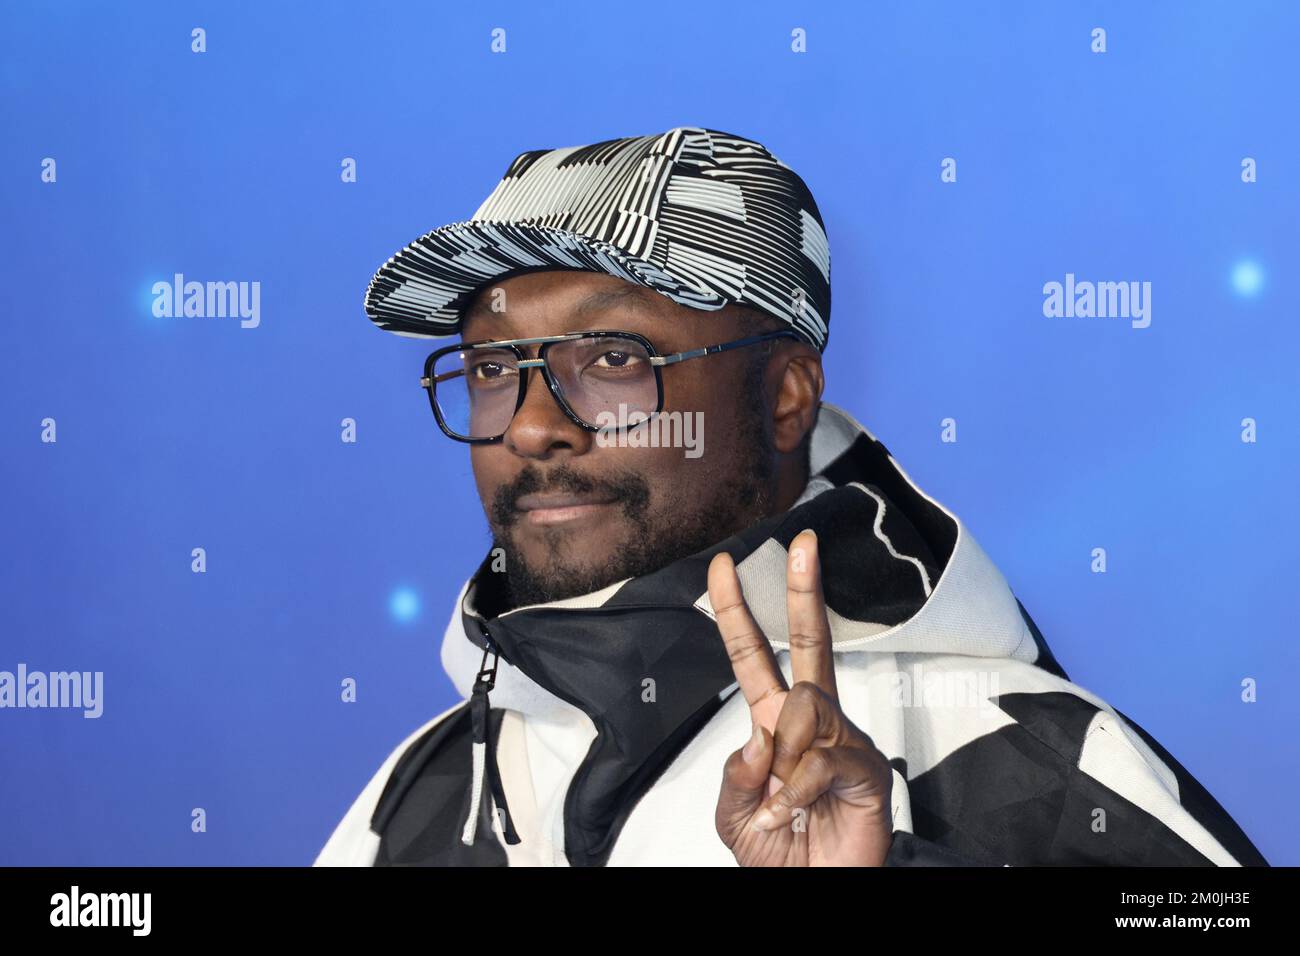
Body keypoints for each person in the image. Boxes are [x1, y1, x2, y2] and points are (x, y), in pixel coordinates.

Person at [315, 126, 1266, 866]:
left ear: (783, 396)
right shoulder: (417, 795)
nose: (530, 427)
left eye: (613, 357)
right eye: (492, 367)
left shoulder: (1007, 750)